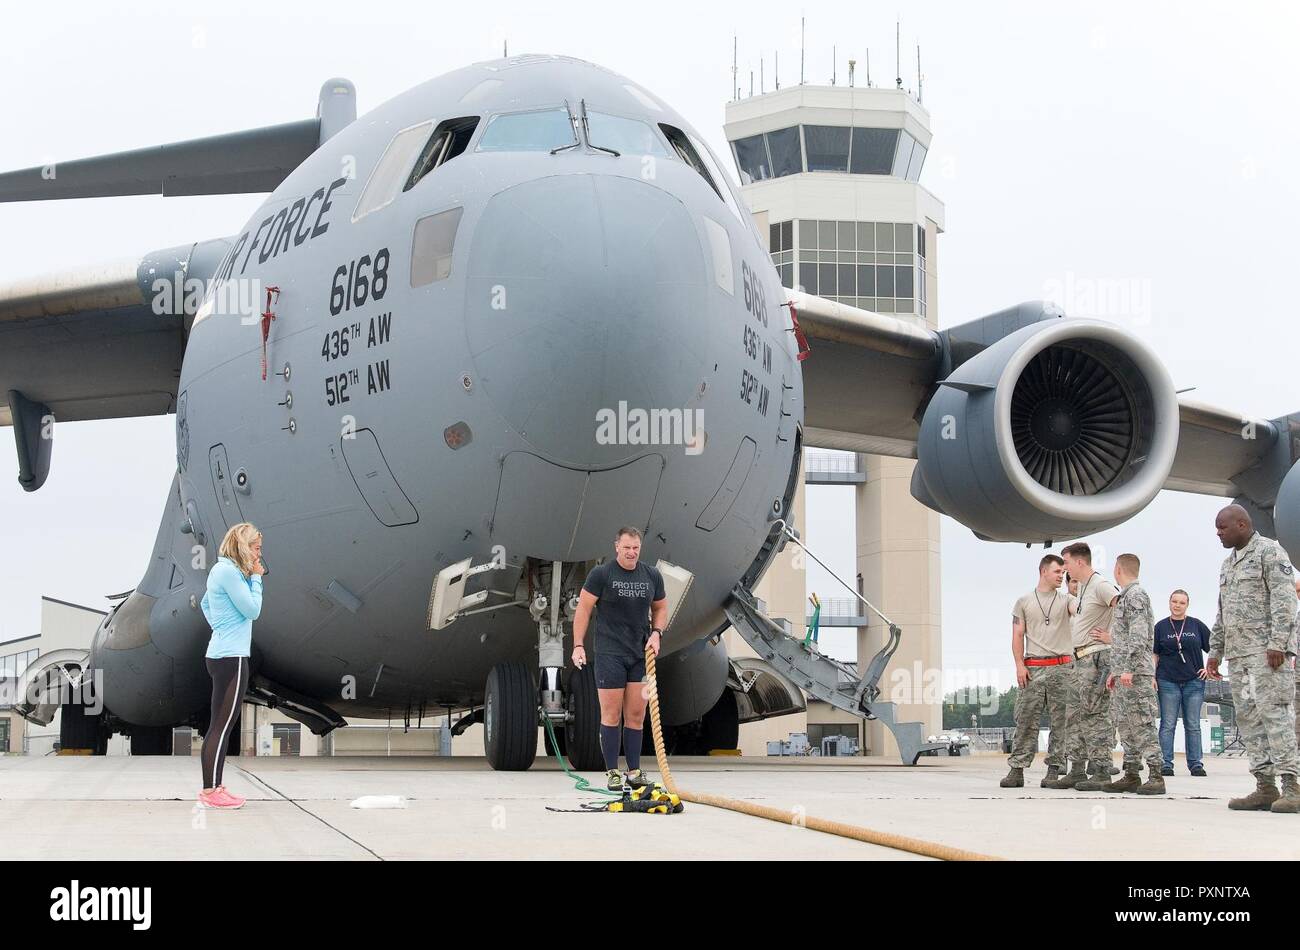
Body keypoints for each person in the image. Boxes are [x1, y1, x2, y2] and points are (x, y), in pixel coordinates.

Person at [1207, 505, 1300, 813]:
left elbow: (1285, 600)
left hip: (1267, 656)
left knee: (1276, 718)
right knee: (1249, 721)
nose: (1218, 533)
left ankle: (1293, 786)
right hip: (1239, 656)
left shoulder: (1269, 553)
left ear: (1242, 524)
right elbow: (1223, 611)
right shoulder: (1227, 564)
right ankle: (1265, 787)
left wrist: (1278, 643)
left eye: (1223, 528)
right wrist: (1215, 652)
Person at [572, 527, 668, 791]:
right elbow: (584, 609)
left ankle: (634, 771)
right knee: (611, 715)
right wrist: (578, 645)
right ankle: (613, 771)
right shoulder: (601, 574)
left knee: (636, 715)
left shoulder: (651, 575)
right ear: (617, 547)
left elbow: (660, 607)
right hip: (610, 655)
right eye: (627, 548)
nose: (631, 552)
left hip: (640, 656)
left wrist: (657, 633)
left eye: (636, 548)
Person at [197, 523, 265, 810]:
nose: (260, 554)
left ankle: (214, 786)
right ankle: (211, 791)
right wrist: (257, 580)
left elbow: (204, 604)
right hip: (232, 658)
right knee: (221, 728)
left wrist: (222, 628)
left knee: (218, 726)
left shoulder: (220, 570)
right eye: (257, 548)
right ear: (243, 546)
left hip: (221, 654)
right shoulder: (230, 572)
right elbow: (252, 610)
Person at [1047, 542, 1120, 790]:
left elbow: (1124, 608)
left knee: (1095, 714)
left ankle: (1101, 770)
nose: (1064, 568)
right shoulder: (1084, 590)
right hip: (1080, 660)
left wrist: (1114, 638)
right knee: (1076, 714)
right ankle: (1077, 768)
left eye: (1066, 562)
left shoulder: (1100, 585)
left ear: (1079, 562)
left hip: (1096, 657)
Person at [1001, 555, 1075, 788]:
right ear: (1044, 571)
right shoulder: (1023, 601)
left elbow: (1081, 609)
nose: (1061, 576)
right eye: (1057, 572)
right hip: (1033, 667)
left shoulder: (1066, 600)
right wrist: (1019, 665)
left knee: (1061, 721)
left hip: (1062, 666)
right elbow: (1017, 635)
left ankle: (1055, 769)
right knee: (1025, 719)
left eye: (1063, 572)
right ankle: (1017, 769)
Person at [1100, 554, 1164, 794]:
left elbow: (1138, 635)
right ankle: (1131, 773)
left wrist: (1128, 668)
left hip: (1136, 675)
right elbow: (1123, 638)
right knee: (1126, 726)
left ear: (1118, 569)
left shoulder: (1136, 596)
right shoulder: (1126, 597)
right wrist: (1115, 672)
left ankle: (1156, 775)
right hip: (1123, 675)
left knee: (1142, 724)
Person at [1154, 589, 1211, 776]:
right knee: (1168, 723)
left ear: (1187, 605)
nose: (1177, 605)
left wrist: (1209, 667)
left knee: (1193, 724)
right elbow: (1154, 653)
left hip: (1193, 681)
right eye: (1174, 601)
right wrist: (1152, 677)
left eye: (1181, 602)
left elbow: (1215, 646)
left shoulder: (1196, 625)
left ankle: (1195, 763)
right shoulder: (1161, 627)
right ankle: (1165, 763)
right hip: (1167, 680)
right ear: (1169, 603)